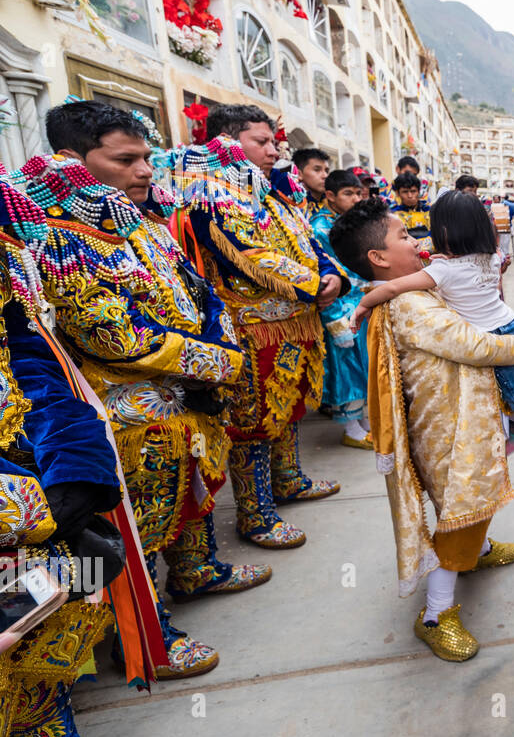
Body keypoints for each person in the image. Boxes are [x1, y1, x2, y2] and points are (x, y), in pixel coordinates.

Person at [27, 102, 268, 681]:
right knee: (137, 521)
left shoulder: (132, 221)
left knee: (190, 491)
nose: (143, 171)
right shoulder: (59, 238)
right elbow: (111, 335)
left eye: (145, 158)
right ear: (72, 161)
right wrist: (219, 361)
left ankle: (196, 569)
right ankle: (142, 632)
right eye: (125, 159)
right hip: (124, 406)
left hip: (180, 389)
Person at [330, 201, 514, 661]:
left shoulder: (404, 289)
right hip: (449, 433)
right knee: (458, 513)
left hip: (462, 420)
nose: (417, 241)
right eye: (404, 236)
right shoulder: (409, 303)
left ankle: (480, 549)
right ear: (380, 259)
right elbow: (472, 344)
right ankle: (435, 615)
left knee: (473, 499)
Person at [0, 176, 156, 737]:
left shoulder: (9, 251)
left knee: (42, 650)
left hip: (37, 496)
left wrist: (74, 470)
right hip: (23, 507)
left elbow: (31, 365)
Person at [154, 104, 343, 550]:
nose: (274, 150)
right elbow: (250, 253)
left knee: (290, 408)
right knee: (253, 422)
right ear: (226, 142)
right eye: (261, 142)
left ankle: (288, 479)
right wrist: (316, 285)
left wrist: (333, 274)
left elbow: (308, 240)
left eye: (274, 142)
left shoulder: (269, 193)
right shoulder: (210, 195)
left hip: (296, 321)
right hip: (253, 327)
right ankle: (256, 516)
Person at [352, 192, 514, 494]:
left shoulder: (443, 270)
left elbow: (393, 287)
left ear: (445, 232)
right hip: (511, 324)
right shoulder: (492, 257)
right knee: (506, 393)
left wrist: (363, 304)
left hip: (493, 335)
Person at [311, 169, 372, 449]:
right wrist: (334, 319)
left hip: (362, 302)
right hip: (340, 307)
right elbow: (324, 278)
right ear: (330, 196)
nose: (356, 199)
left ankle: (364, 421)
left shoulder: (351, 222)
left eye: (358, 193)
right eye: (348, 193)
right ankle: (350, 426)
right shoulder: (319, 229)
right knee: (346, 365)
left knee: (366, 365)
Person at [390, 172, 430, 241]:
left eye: (413, 191)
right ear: (397, 193)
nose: (410, 195)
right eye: (405, 192)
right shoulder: (392, 214)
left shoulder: (429, 210)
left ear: (419, 191)